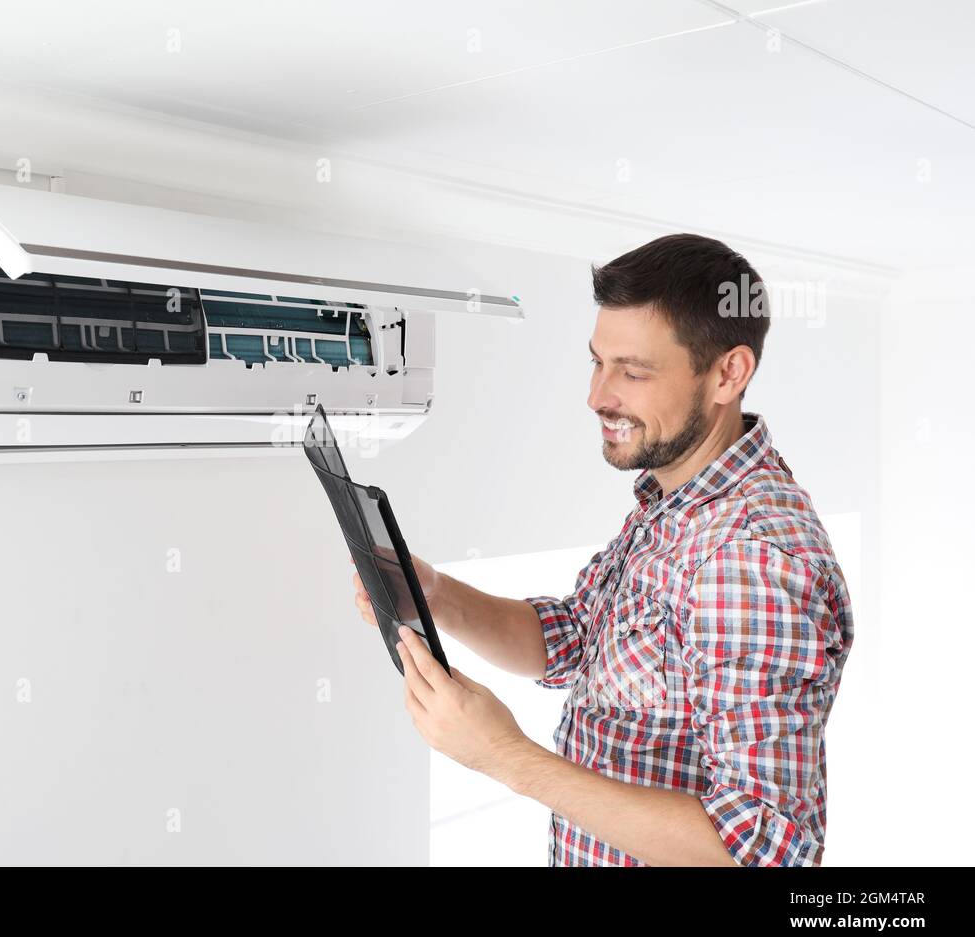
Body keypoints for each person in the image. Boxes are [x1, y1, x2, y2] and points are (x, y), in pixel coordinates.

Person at [352, 234, 853, 866]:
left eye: (633, 372)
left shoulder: (751, 557)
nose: (598, 397)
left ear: (729, 373)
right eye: (598, 362)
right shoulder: (676, 500)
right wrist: (439, 597)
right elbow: (576, 640)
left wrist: (504, 757)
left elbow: (761, 852)